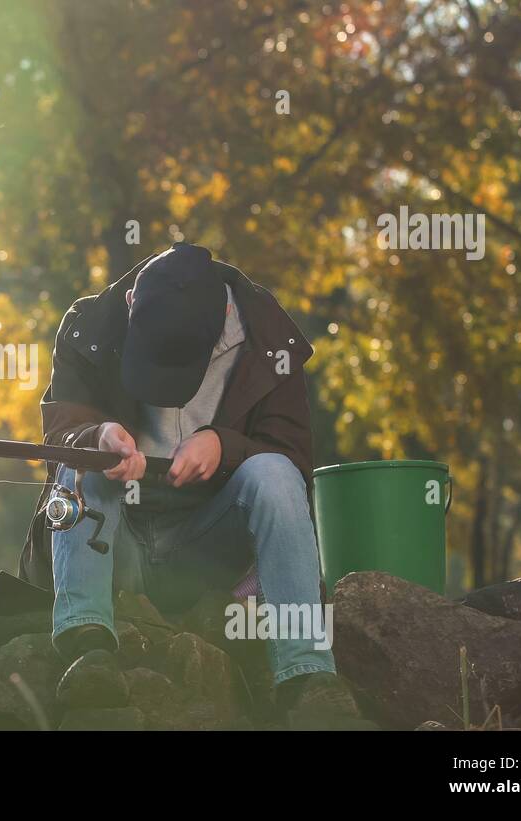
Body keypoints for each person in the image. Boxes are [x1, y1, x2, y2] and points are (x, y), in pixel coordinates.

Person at [20, 242, 360, 723]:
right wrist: (98, 436)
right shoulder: (88, 327)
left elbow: (293, 460)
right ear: (133, 301)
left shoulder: (269, 342)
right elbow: (60, 434)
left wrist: (225, 447)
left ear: (223, 314)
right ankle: (86, 646)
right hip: (117, 543)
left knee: (273, 471)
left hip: (209, 548)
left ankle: (306, 675)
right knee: (82, 458)